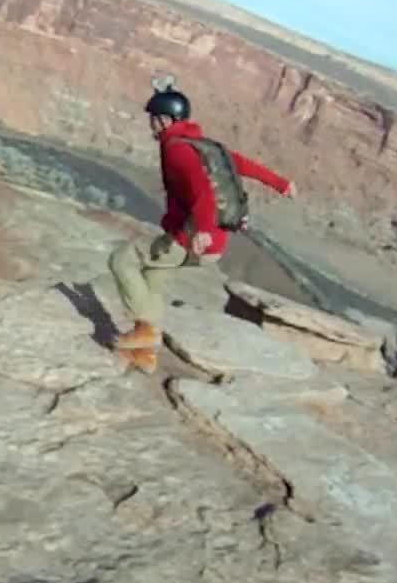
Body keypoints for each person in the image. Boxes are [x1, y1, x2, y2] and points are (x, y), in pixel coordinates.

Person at [108, 78, 295, 373]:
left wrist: (203, 231)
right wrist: (281, 184)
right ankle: (144, 354)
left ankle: (145, 331)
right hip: (211, 244)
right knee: (153, 277)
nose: (150, 125)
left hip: (193, 239)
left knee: (122, 259)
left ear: (165, 120)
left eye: (153, 119)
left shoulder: (176, 150)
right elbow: (242, 165)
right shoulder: (202, 146)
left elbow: (202, 193)